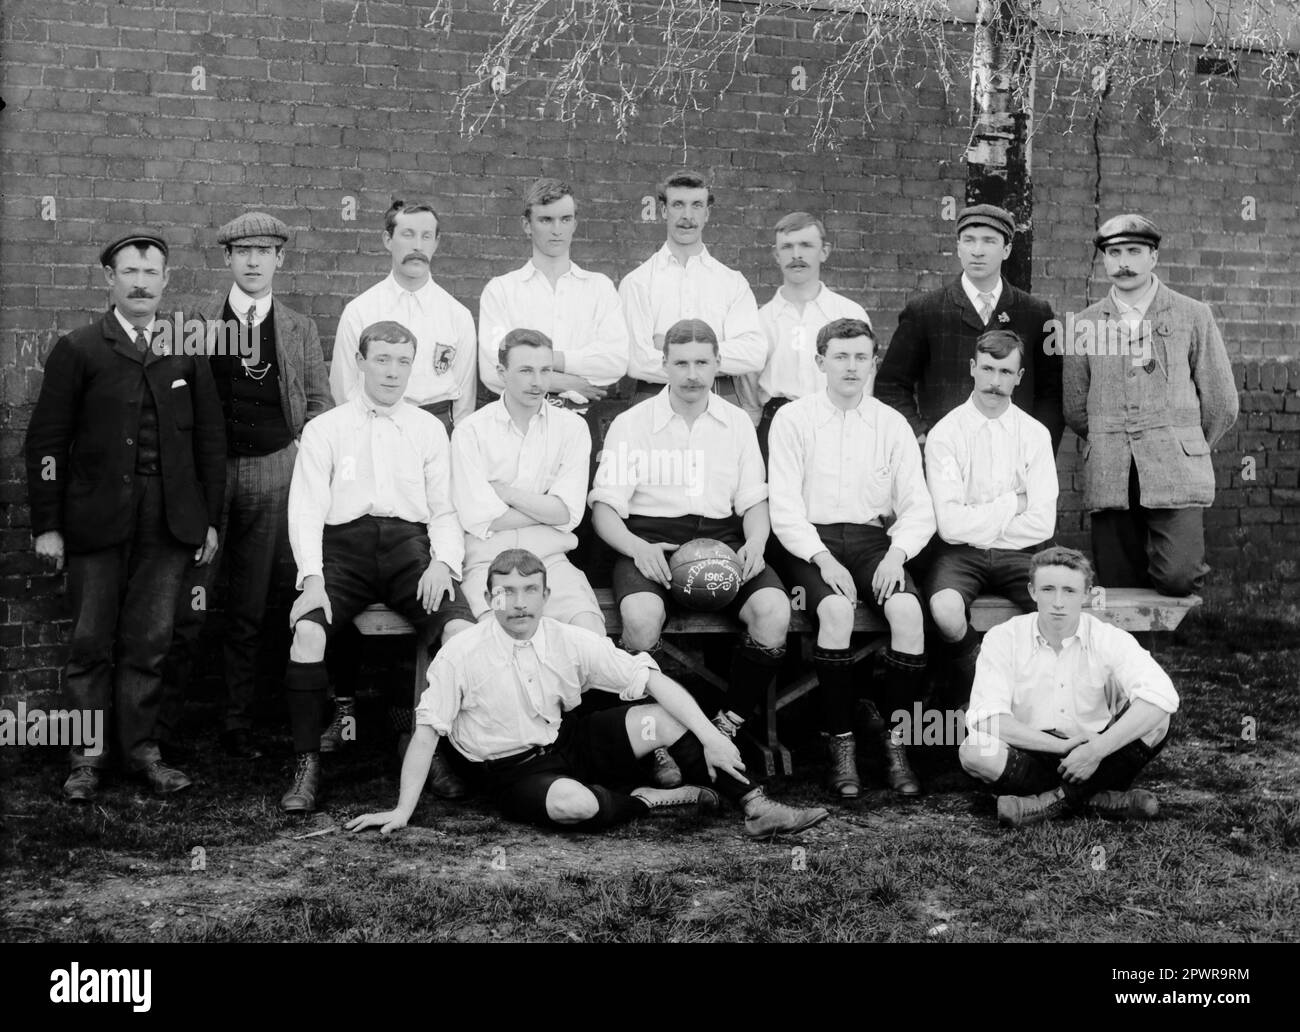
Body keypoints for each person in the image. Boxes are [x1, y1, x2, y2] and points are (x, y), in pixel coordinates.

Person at [346, 549, 829, 839]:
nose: (518, 603)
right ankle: (647, 798)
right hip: (508, 770)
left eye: (529, 591)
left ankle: (757, 807)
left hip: (566, 742)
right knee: (575, 807)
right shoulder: (462, 653)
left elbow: (654, 679)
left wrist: (713, 736)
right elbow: (427, 734)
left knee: (664, 716)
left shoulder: (564, 636)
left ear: (545, 595)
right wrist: (402, 809)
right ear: (488, 598)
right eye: (505, 592)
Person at [25, 228, 225, 800]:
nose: (141, 283)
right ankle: (86, 760)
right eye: (129, 272)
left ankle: (142, 752)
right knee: (89, 643)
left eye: (151, 272)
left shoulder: (187, 349)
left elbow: (209, 443)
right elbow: (45, 445)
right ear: (109, 279)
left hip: (167, 524)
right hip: (96, 521)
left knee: (150, 641)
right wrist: (48, 524)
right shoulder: (80, 348)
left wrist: (207, 518)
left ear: (166, 281)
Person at [282, 320, 476, 813]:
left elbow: (445, 508)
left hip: (409, 548)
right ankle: (307, 765)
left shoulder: (429, 428)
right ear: (361, 362)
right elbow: (305, 507)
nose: (393, 372)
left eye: (403, 361)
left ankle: (431, 748)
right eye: (383, 359)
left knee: (458, 633)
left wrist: (443, 563)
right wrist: (311, 578)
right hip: (341, 550)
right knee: (308, 635)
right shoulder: (326, 428)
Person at [160, 211, 332, 759]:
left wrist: (301, 454)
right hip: (210, 476)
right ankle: (162, 728)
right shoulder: (196, 324)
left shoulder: (299, 327)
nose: (254, 261)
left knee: (252, 605)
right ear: (227, 259)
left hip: (273, 471)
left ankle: (237, 724)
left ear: (280, 259)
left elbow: (321, 404)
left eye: (264, 252)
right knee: (190, 599)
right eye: (243, 252)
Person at [590, 318, 791, 782]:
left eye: (702, 362)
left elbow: (754, 502)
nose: (692, 374)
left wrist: (757, 541)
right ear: (664, 365)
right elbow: (604, 510)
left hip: (723, 541)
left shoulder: (737, 422)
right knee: (639, 620)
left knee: (774, 611)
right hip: (651, 540)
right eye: (681, 363)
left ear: (718, 364)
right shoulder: (632, 423)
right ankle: (663, 735)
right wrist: (638, 548)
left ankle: (729, 725)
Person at [767, 318, 935, 799]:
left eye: (861, 357)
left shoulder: (890, 422)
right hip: (809, 541)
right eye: (840, 356)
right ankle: (839, 746)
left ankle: (897, 745)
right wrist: (822, 559)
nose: (851, 366)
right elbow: (784, 509)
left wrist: (896, 555)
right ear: (820, 362)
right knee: (836, 612)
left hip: (870, 542)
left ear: (873, 363)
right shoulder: (794, 419)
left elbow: (918, 507)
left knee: (907, 612)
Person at [1063, 214, 1238, 597]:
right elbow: (1076, 407)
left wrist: (1185, 443)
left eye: (1134, 251)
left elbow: (1222, 401)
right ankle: (1135, 658)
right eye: (1114, 253)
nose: (1123, 262)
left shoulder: (1192, 315)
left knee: (1179, 576)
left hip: (1176, 468)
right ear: (1105, 260)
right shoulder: (1084, 324)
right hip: (1111, 468)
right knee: (1118, 585)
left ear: (1153, 257)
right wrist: (1111, 435)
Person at [959, 547, 1179, 827]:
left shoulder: (1108, 637)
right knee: (974, 749)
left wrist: (1095, 750)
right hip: (1032, 750)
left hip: (1099, 754)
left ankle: (1046, 803)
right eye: (1048, 589)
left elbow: (1162, 695)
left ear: (1087, 594)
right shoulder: (1003, 637)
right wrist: (1059, 746)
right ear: (1032, 591)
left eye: (1070, 591)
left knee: (1159, 719)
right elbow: (985, 718)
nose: (1058, 602)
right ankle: (1097, 799)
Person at [924, 329, 1057, 711]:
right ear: (972, 369)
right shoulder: (947, 434)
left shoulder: (1035, 434)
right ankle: (988, 687)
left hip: (1018, 552)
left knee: (1055, 604)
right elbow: (950, 526)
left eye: (1005, 372)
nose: (995, 382)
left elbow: (1042, 523)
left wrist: (981, 517)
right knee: (946, 611)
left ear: (1019, 377)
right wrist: (1012, 502)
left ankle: (1048, 706)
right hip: (961, 554)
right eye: (987, 369)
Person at [452, 328, 604, 634]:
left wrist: (505, 493)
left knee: (589, 633)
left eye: (545, 370)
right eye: (525, 370)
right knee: (495, 638)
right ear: (502, 372)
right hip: (489, 566)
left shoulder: (572, 428)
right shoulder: (471, 431)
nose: (537, 382)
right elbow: (479, 518)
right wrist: (544, 509)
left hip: (550, 564)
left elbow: (568, 514)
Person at [876, 204, 1063, 453]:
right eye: (969, 240)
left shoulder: (1036, 313)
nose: (977, 251)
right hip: (946, 459)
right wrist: (920, 436)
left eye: (989, 241)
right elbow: (890, 385)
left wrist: (1036, 446)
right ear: (958, 248)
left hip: (1013, 456)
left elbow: (1052, 393)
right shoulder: (925, 311)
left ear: (1006, 250)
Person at [477, 178, 628, 411]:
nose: (557, 230)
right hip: (520, 416)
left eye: (565, 219)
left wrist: (537, 363)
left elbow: (615, 361)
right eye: (546, 220)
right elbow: (492, 370)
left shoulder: (600, 288)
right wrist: (565, 381)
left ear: (575, 224)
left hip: (583, 415)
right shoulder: (501, 291)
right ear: (527, 225)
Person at [618, 170, 764, 406]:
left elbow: (753, 355)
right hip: (654, 398)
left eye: (696, 205)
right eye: (678, 204)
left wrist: (668, 346)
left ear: (707, 213)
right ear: (664, 211)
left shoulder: (733, 282)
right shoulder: (637, 282)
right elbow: (637, 361)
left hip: (721, 397)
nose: (688, 216)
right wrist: (713, 354)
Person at [329, 200, 476, 434]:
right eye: (408, 235)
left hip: (437, 428)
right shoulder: (360, 311)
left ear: (436, 243)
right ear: (388, 240)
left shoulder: (457, 315)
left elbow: (464, 400)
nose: (418, 246)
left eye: (426, 236)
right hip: (373, 426)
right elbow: (344, 389)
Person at [739, 211, 872, 455]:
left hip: (836, 426)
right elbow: (749, 397)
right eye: (787, 247)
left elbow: (865, 386)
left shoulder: (850, 313)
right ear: (776, 255)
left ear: (824, 251)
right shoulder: (759, 321)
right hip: (776, 429)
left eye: (806, 245)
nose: (796, 255)